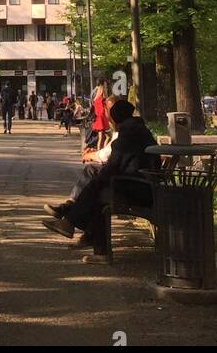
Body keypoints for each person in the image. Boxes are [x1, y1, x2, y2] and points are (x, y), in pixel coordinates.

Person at [41, 100, 156, 257]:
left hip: (136, 189)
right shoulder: (137, 130)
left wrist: (98, 180)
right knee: (96, 182)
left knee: (97, 190)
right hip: (143, 184)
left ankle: (76, 227)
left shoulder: (126, 136)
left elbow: (112, 167)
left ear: (115, 119)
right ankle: (72, 222)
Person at [91, 78, 110, 150]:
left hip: (98, 117)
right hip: (102, 117)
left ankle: (102, 152)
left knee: (102, 137)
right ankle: (101, 153)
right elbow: (107, 102)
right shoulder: (103, 91)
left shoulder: (95, 93)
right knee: (105, 137)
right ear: (103, 83)